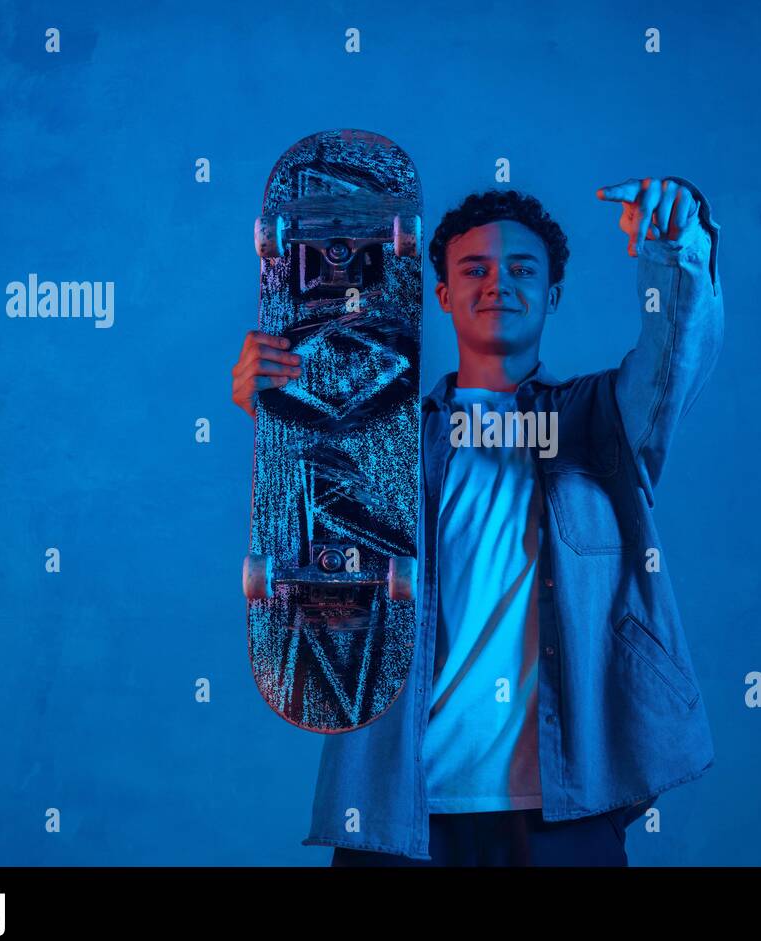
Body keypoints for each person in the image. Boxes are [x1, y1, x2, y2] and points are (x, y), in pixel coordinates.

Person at [231, 177, 725, 865]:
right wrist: (276, 416)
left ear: (552, 295)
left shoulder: (601, 423)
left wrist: (678, 248)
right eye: (475, 269)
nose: (499, 283)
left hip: (564, 809)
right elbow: (316, 563)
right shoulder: (387, 440)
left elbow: (676, 356)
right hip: (397, 811)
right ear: (442, 297)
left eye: (523, 269)